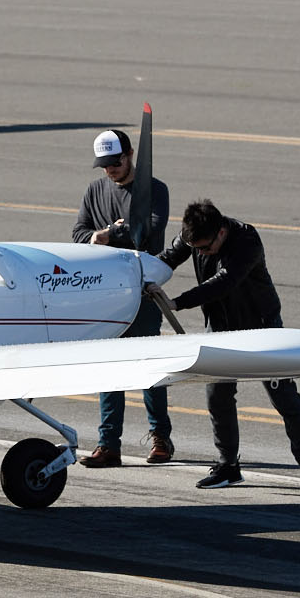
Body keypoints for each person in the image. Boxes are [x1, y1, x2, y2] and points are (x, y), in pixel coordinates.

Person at [158, 199, 300, 493]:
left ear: (221, 233)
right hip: (221, 330)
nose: (199, 253)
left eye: (204, 248)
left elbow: (224, 281)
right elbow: (166, 258)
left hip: (261, 330)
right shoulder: (196, 234)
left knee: (285, 399)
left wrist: (177, 302)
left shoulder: (246, 239)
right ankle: (228, 466)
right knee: (218, 397)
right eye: (194, 248)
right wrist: (140, 273)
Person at [71, 128, 172, 469]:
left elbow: (152, 228)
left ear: (130, 155)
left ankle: (161, 437)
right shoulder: (95, 189)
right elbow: (79, 233)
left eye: (116, 163)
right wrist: (105, 234)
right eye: (105, 165)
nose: (110, 170)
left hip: (142, 291)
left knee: (148, 367)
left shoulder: (154, 190)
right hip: (105, 293)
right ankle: (108, 444)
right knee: (108, 369)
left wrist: (110, 234)